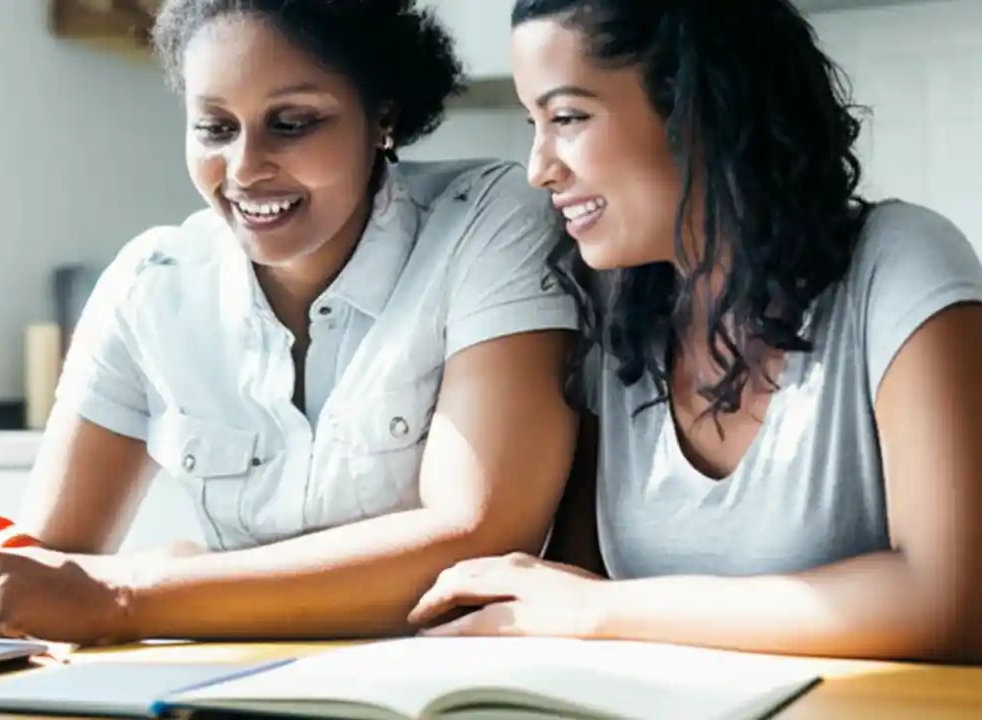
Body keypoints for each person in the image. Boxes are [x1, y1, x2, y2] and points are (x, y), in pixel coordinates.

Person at [0, 0, 582, 644]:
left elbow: (479, 535)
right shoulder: (150, 283)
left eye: (292, 123)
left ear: (382, 115)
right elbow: (46, 567)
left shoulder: (490, 222)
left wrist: (134, 594)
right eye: (215, 128)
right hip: (223, 684)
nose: (244, 168)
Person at [410, 0, 982, 663]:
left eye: (566, 118)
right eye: (534, 122)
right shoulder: (614, 311)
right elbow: (567, 596)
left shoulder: (902, 264)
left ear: (699, 110)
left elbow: (953, 601)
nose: (539, 167)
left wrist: (601, 610)